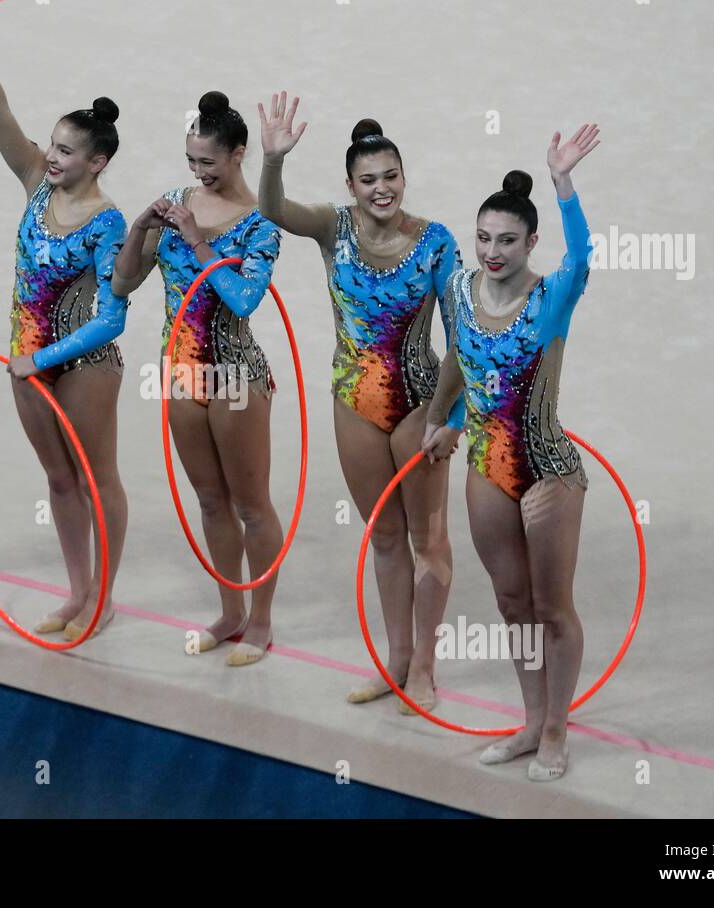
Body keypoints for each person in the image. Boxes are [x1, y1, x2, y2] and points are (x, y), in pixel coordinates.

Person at [257, 92, 465, 710]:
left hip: (419, 403)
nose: (382, 188)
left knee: (428, 540)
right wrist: (272, 161)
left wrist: (452, 417)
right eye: (368, 179)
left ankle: (425, 667)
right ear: (349, 185)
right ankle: (395, 662)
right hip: (354, 401)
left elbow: (462, 340)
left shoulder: (435, 241)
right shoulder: (332, 226)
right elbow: (273, 210)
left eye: (391, 176)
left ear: (405, 177)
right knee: (382, 537)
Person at [423, 124, 601, 780]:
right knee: (511, 603)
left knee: (552, 607)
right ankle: (531, 721)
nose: (493, 251)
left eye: (507, 241)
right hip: (488, 466)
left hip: (549, 468)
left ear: (531, 243)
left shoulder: (551, 298)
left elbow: (582, 258)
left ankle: (557, 730)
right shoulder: (461, 291)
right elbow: (461, 364)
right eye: (484, 238)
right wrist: (443, 420)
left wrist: (563, 185)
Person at [0, 0, 129, 640]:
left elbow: (112, 318)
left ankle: (104, 595)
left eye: (65, 151)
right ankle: (77, 588)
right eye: (52, 146)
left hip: (82, 359)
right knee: (58, 479)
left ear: (97, 160)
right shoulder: (35, 183)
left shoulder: (108, 222)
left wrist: (41, 359)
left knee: (94, 474)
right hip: (25, 353)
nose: (52, 157)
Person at [112, 90, 285, 667]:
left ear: (238, 154)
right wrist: (140, 229)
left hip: (235, 375)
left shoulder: (260, 225)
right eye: (192, 162)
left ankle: (260, 620)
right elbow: (121, 285)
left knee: (251, 504)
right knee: (211, 501)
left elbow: (244, 297)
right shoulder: (175, 202)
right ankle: (230, 609)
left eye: (208, 162)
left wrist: (194, 238)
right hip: (182, 375)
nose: (198, 173)